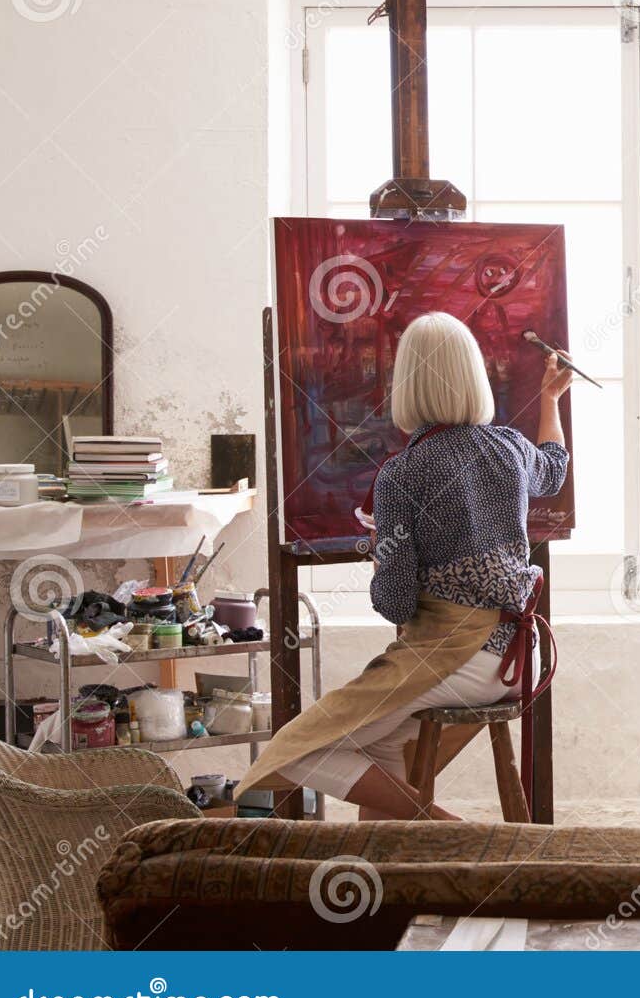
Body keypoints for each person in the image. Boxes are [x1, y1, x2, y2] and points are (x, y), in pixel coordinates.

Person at [236, 312, 572, 819]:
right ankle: (387, 873)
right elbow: (554, 468)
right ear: (474, 376)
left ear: (405, 385)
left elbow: (392, 601)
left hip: (454, 656)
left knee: (296, 748)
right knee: (381, 755)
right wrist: (550, 399)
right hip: (513, 661)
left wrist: (382, 548)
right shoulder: (510, 448)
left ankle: (449, 833)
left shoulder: (401, 476)